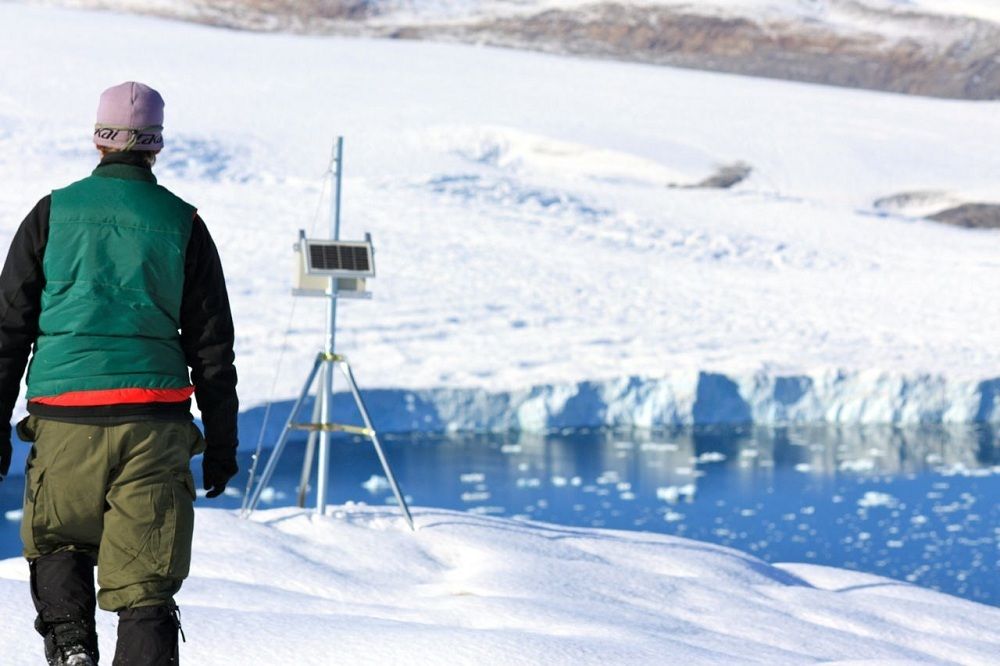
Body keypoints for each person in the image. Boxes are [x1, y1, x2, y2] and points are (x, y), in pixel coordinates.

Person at [0, 81, 239, 665]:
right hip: (154, 424)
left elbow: (8, 329)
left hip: (65, 419)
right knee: (146, 584)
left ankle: (71, 647)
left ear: (98, 139)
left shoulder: (52, 212)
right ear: (157, 144)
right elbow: (212, 346)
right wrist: (222, 441)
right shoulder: (183, 223)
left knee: (59, 541)